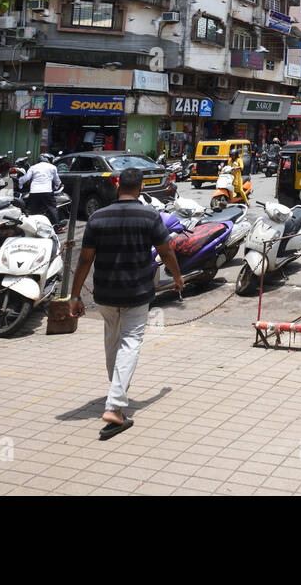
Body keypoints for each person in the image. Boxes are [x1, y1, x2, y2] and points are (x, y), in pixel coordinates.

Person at [69, 169, 182, 439]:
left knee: (113, 342)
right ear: (140, 187)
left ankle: (116, 391)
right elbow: (166, 252)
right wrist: (177, 277)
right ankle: (115, 406)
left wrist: (75, 296)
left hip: (105, 294)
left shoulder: (98, 217)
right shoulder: (149, 216)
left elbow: (85, 260)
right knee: (129, 344)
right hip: (137, 293)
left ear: (118, 186)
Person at [18, 153, 61, 224]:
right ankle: (57, 226)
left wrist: (20, 184)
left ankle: (28, 225)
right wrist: (57, 186)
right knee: (52, 209)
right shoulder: (52, 167)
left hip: (34, 192)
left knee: (31, 211)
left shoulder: (33, 167)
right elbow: (57, 180)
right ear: (48, 159)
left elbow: (26, 178)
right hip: (47, 191)